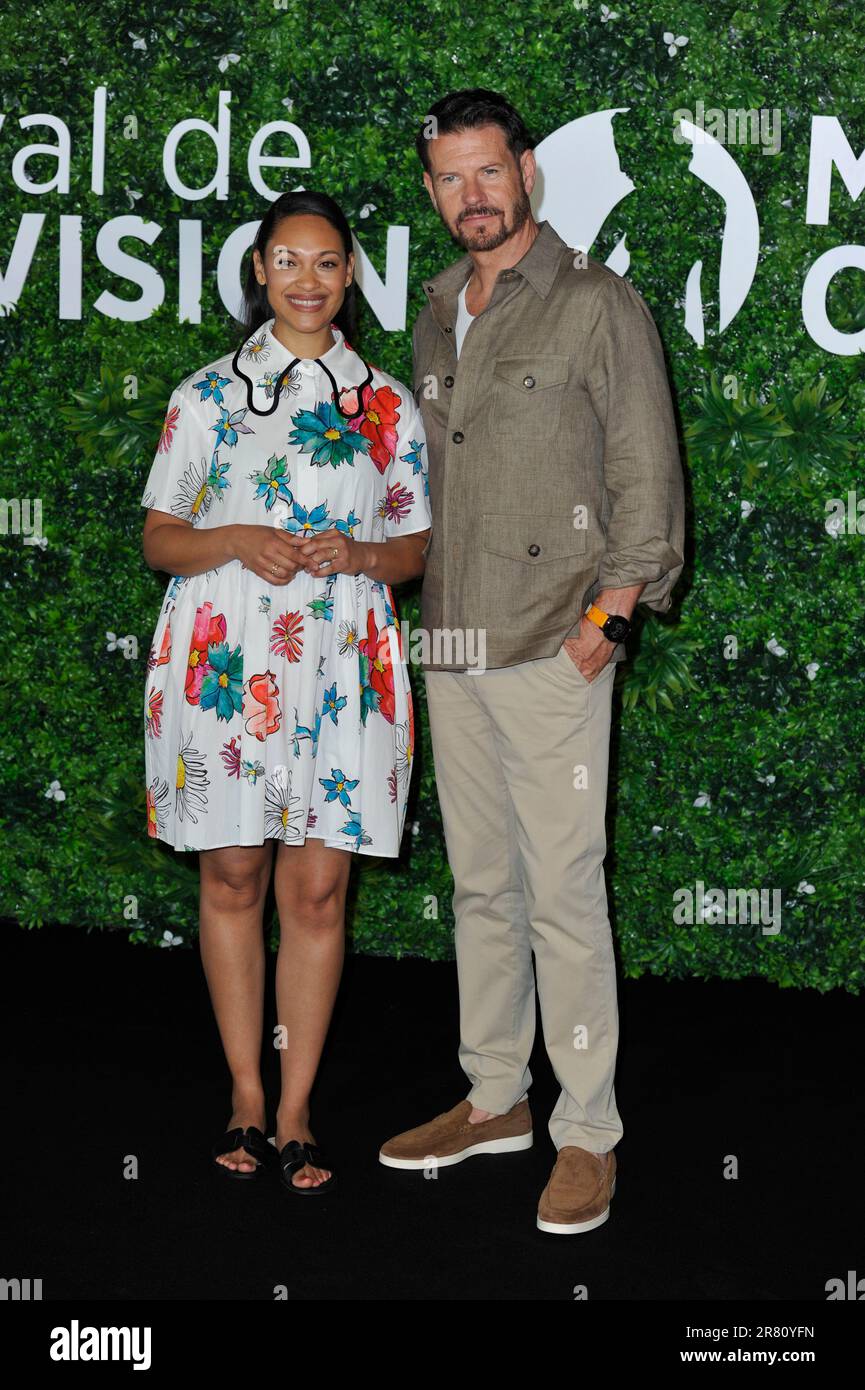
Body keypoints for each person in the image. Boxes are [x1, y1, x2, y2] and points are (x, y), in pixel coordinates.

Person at [378, 90, 685, 1234]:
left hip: (556, 643)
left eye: (488, 172)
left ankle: (588, 1132)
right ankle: (497, 1097)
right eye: (450, 179)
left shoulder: (599, 304)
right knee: (479, 890)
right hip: (450, 642)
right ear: (432, 192)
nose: (473, 195)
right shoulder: (434, 311)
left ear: (527, 176)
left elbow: (646, 480)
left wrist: (605, 625)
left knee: (563, 897)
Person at [140, 190, 431, 1194]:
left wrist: (355, 550)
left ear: (350, 277)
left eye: (327, 263)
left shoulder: (387, 403)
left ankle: (298, 1106)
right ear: (260, 271)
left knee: (315, 888)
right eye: (287, 261)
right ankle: (244, 1097)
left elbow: (413, 545)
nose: (307, 280)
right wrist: (234, 538)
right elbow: (158, 535)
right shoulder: (204, 395)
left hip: (342, 662)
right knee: (231, 876)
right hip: (229, 661)